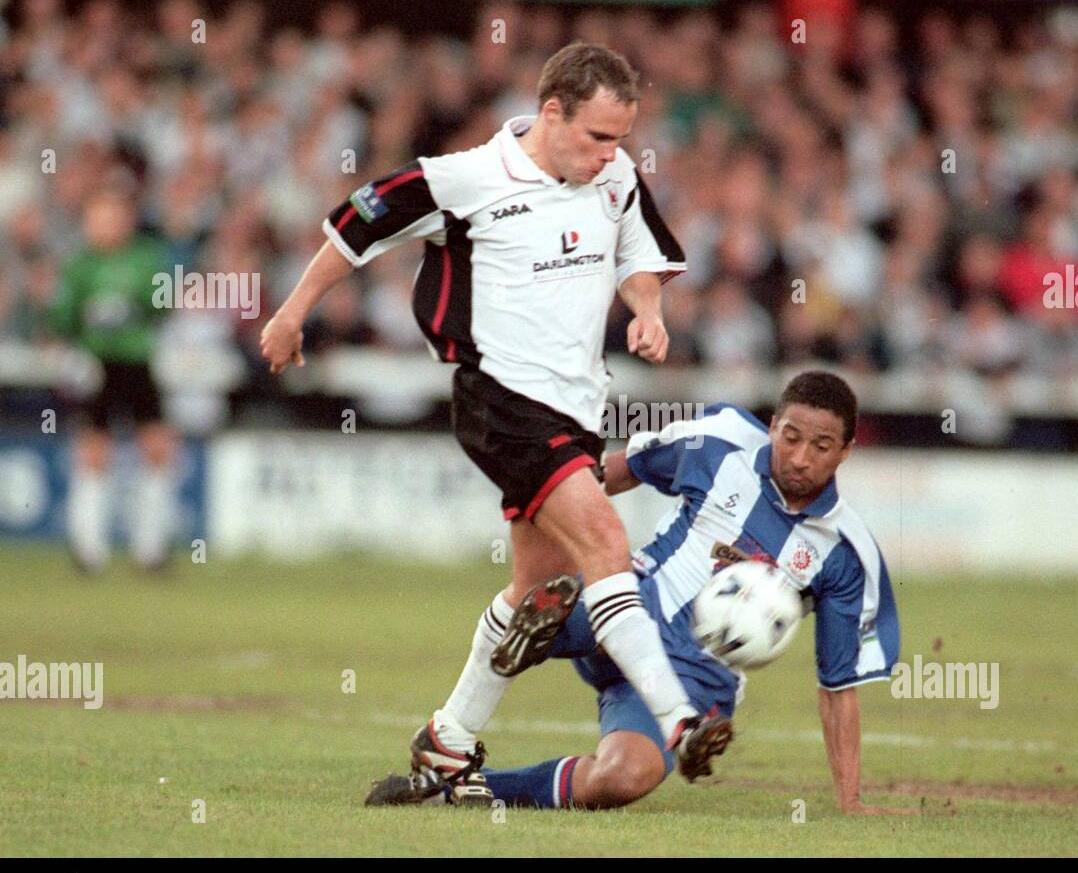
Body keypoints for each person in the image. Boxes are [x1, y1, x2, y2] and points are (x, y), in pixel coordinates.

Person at [259, 42, 719, 805]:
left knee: (540, 588)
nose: (612, 154)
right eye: (598, 136)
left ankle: (448, 742)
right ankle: (681, 720)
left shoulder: (615, 180)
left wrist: (648, 309)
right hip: (500, 402)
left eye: (622, 139)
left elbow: (638, 256)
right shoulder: (463, 179)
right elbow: (355, 228)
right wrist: (290, 314)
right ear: (551, 112)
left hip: (577, 409)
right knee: (608, 543)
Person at [367, 372, 902, 814]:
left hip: (698, 676)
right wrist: (553, 516)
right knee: (539, 603)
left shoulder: (845, 553)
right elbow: (620, 471)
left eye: (822, 446)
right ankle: (451, 735)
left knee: (626, 777)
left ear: (847, 451)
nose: (801, 457)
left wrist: (850, 801)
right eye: (790, 437)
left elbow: (836, 686)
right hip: (625, 603)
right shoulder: (721, 442)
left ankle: (462, 793)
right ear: (772, 426)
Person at [47, 190, 176, 573]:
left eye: (113, 216)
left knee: (155, 448)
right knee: (93, 451)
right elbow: (62, 318)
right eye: (99, 217)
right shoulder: (79, 265)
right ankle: (88, 548)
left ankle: (151, 548)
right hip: (96, 365)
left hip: (136, 362)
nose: (106, 225)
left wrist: (133, 309)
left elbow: (162, 305)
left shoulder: (146, 258)